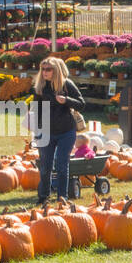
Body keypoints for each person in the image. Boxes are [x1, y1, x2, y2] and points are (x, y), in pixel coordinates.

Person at [32, 56, 84, 204]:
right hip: (47, 132)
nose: (44, 72)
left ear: (56, 70)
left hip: (66, 131)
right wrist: (37, 132)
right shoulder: (40, 88)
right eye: (43, 69)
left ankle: (62, 198)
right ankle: (43, 197)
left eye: (48, 69)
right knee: (45, 166)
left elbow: (82, 103)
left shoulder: (67, 84)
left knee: (62, 164)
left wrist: (66, 100)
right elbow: (36, 110)